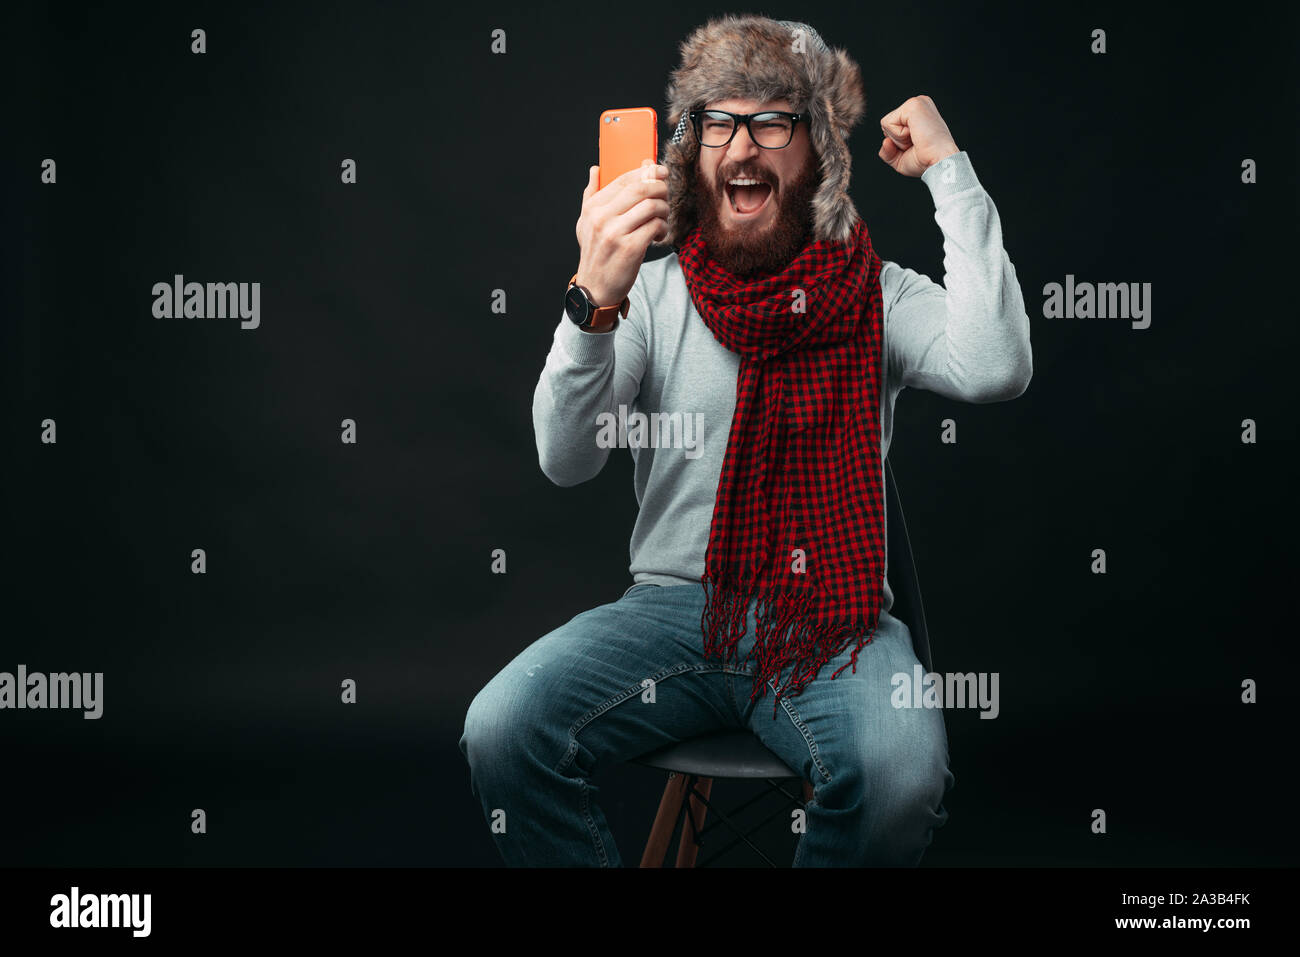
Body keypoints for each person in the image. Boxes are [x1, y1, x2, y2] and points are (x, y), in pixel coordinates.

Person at [459, 13, 1032, 866]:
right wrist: (591, 299)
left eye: (772, 120)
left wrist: (950, 173)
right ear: (692, 148)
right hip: (671, 613)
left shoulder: (874, 291)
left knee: (899, 773)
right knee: (501, 728)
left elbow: (996, 366)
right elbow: (566, 457)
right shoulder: (647, 294)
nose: (742, 147)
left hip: (834, 624)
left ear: (820, 154)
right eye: (718, 121)